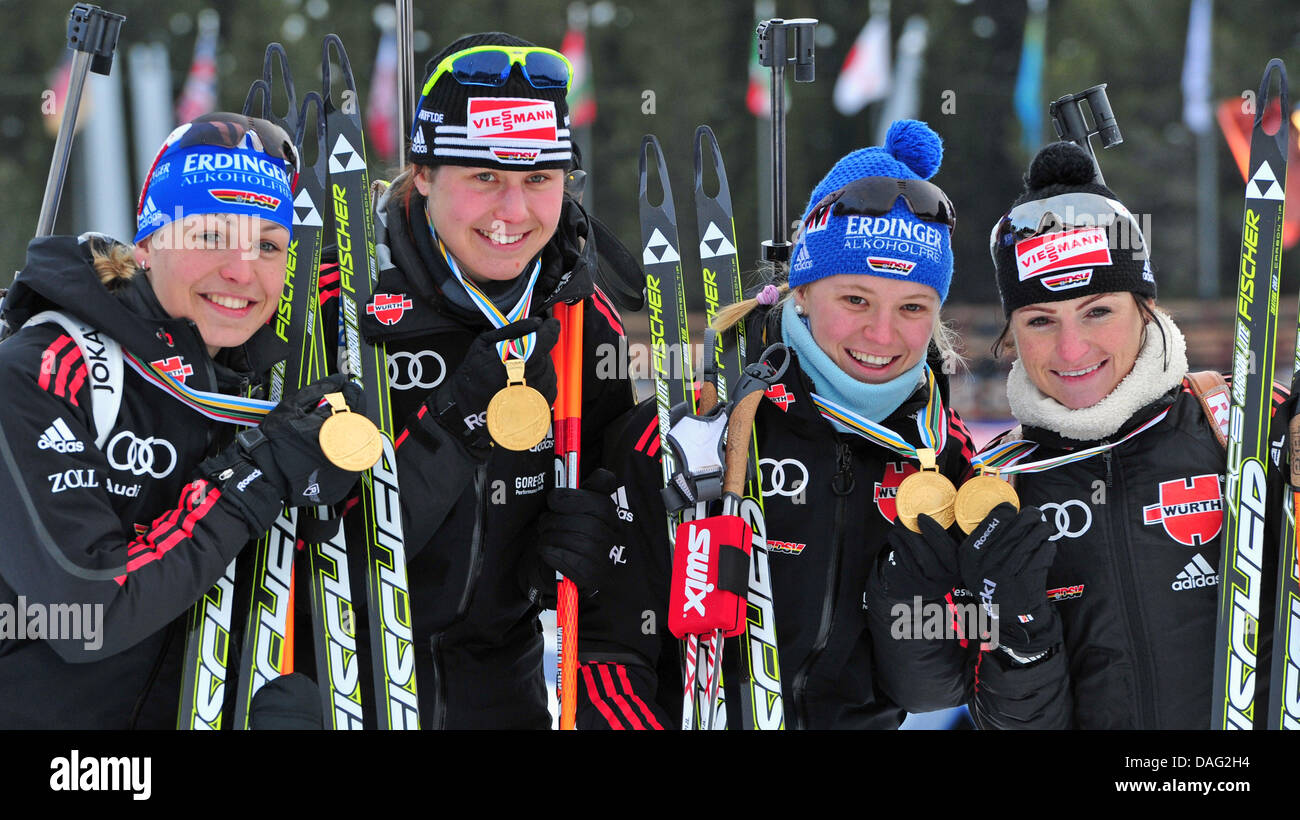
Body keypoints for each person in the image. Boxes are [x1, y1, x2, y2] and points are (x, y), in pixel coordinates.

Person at [870, 140, 1284, 729]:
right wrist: (1017, 637)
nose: (1071, 350)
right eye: (1040, 321)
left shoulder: (1243, 427)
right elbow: (934, 693)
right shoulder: (998, 491)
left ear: (1145, 307)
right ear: (1010, 335)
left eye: (1097, 311)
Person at [576, 120, 976, 729]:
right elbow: (605, 652)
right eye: (855, 299)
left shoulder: (943, 455)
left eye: (912, 307)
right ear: (804, 291)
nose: (882, 334)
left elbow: (935, 681)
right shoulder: (691, 428)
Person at [0, 113, 364, 729]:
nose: (241, 271)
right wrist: (248, 483)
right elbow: (86, 615)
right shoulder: (43, 371)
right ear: (146, 245)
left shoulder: (259, 392)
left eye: (268, 245)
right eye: (210, 236)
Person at [341, 32, 635, 728]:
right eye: (484, 178)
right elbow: (302, 533)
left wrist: (600, 541)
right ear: (422, 174)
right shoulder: (339, 299)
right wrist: (457, 423)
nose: (512, 213)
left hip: (505, 684)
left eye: (539, 180)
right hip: (347, 669)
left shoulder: (582, 315)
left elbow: (620, 517)